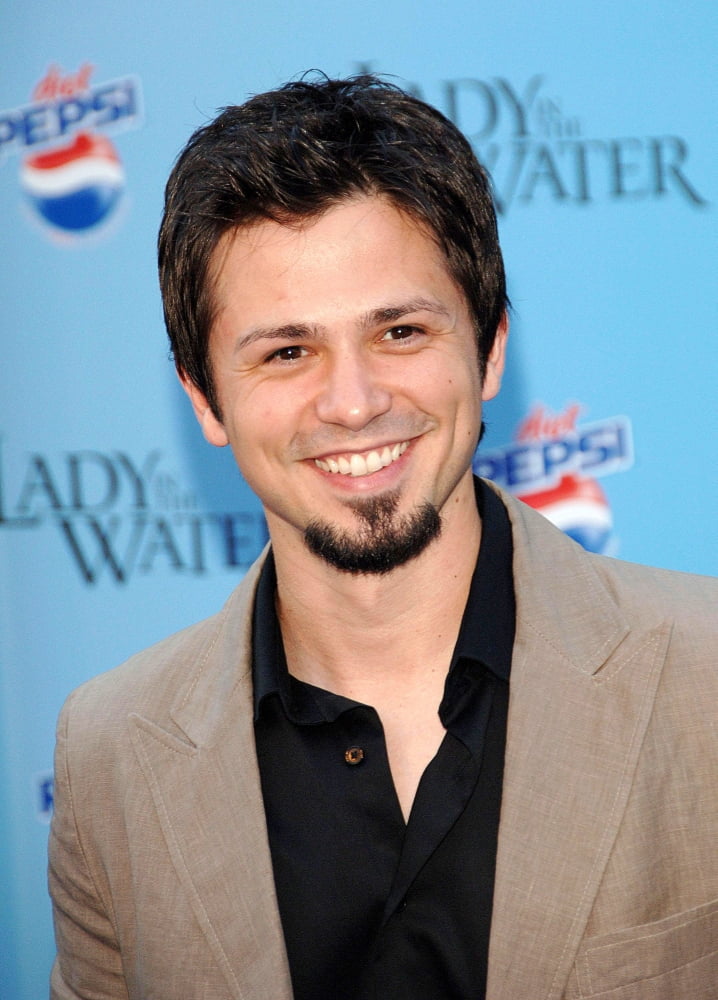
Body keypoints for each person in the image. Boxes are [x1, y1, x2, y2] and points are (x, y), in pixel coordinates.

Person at [48, 75, 718, 1000]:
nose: (354, 402)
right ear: (204, 398)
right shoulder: (109, 753)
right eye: (287, 352)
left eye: (400, 331)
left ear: (488, 350)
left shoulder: (705, 678)